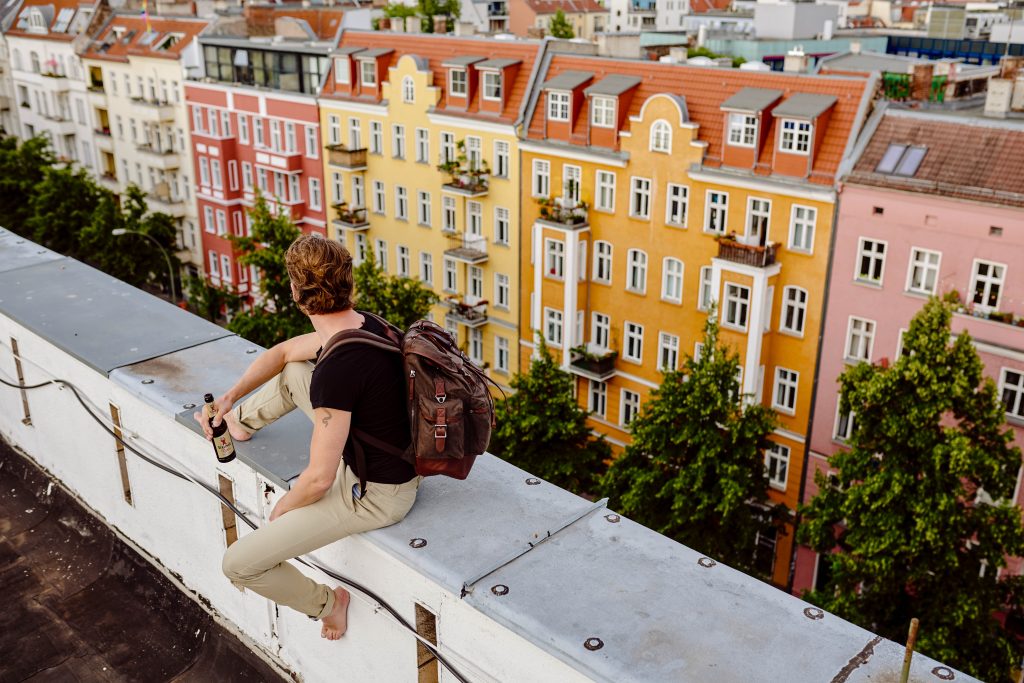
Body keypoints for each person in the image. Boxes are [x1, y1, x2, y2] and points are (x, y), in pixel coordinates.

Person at [194, 234, 418, 641]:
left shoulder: (338, 369)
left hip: (377, 494)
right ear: (348, 283)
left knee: (239, 565)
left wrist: (282, 510)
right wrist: (229, 400)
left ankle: (329, 605)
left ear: (296, 291)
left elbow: (317, 479)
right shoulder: (364, 325)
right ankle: (243, 422)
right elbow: (282, 355)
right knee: (296, 371)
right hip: (386, 454)